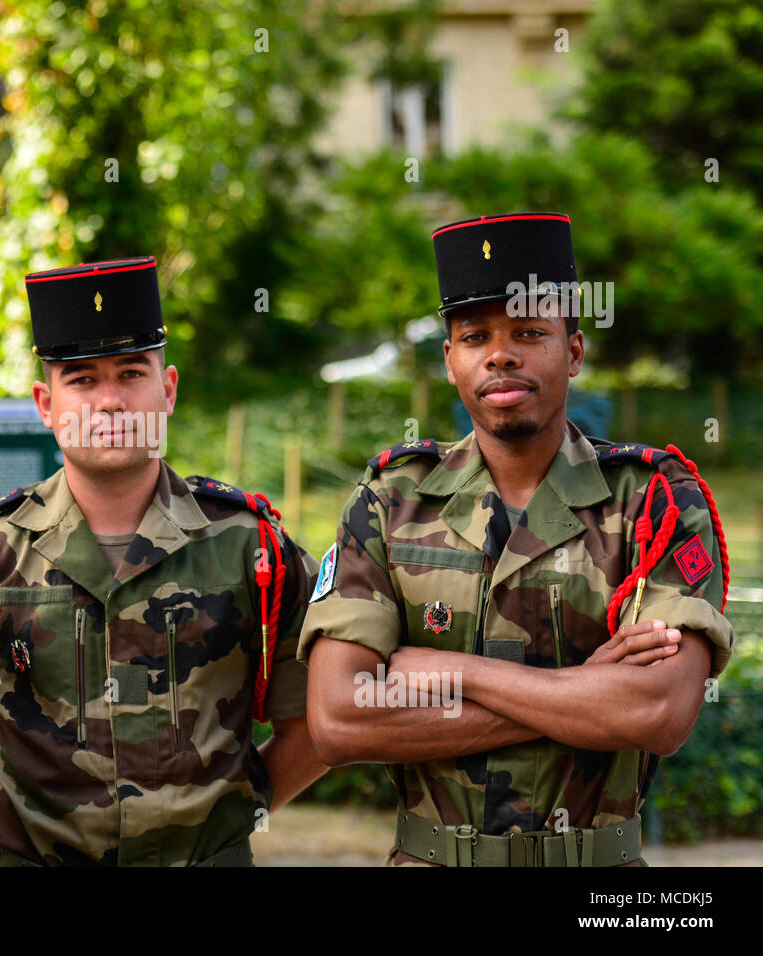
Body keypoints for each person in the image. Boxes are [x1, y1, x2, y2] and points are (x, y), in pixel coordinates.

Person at [300, 212, 734, 867]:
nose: (501, 353)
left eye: (529, 332)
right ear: (450, 361)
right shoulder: (390, 501)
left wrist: (452, 673)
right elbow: (338, 719)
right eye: (476, 335)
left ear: (576, 351)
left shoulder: (653, 500)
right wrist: (587, 691)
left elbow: (657, 712)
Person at [0, 256, 328, 866]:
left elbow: (318, 720)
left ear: (166, 389)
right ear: (45, 403)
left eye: (131, 373)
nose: (110, 402)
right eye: (82, 379)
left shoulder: (250, 548)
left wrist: (239, 812)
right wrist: (4, 825)